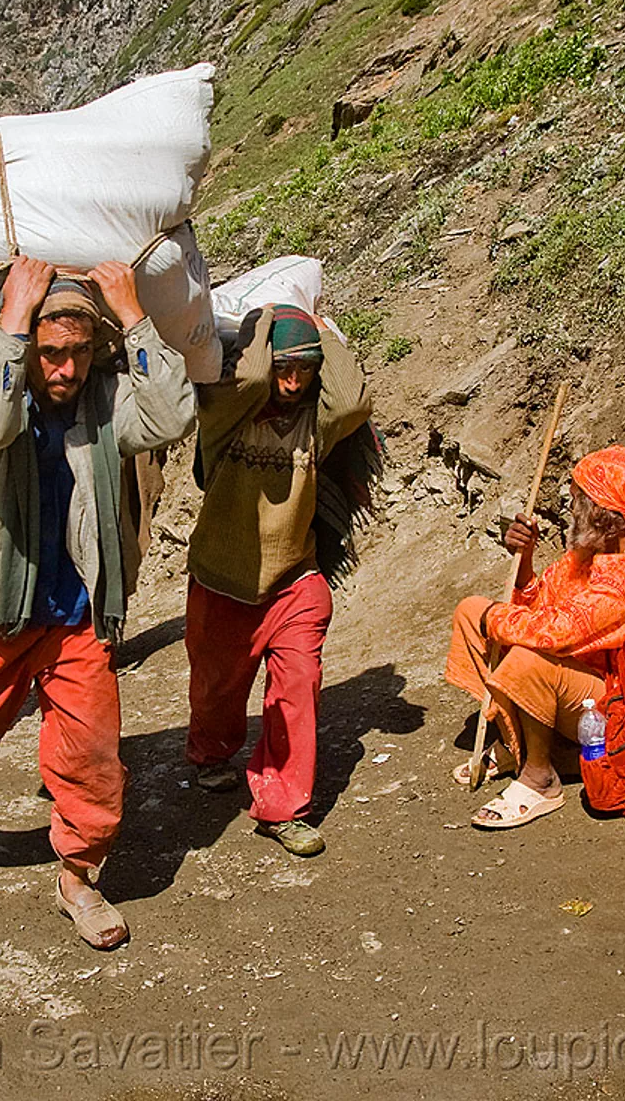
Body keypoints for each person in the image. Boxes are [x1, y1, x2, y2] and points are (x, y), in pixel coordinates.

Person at [0, 256, 195, 951]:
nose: (64, 371)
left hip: (76, 614)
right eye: (50, 355)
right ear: (25, 344)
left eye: (77, 354)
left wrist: (131, 315)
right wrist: (13, 321)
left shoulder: (103, 396)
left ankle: (78, 874)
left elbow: (173, 414)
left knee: (92, 755)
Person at [445, 445, 625, 829]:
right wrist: (524, 560)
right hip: (590, 681)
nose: (571, 509)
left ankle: (540, 779)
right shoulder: (592, 555)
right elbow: (538, 604)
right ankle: (518, 742)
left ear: (601, 514)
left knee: (529, 657)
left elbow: (554, 632)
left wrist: (494, 619)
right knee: (470, 610)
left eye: (578, 501)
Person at [184, 304, 373, 857]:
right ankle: (212, 752)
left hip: (295, 580)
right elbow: (248, 377)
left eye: (306, 370)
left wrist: (323, 328)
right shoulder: (225, 418)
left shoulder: (318, 424)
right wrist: (265, 317)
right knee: (218, 688)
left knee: (298, 688)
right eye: (284, 369)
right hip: (223, 578)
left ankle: (284, 804)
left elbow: (355, 400)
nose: (292, 382)